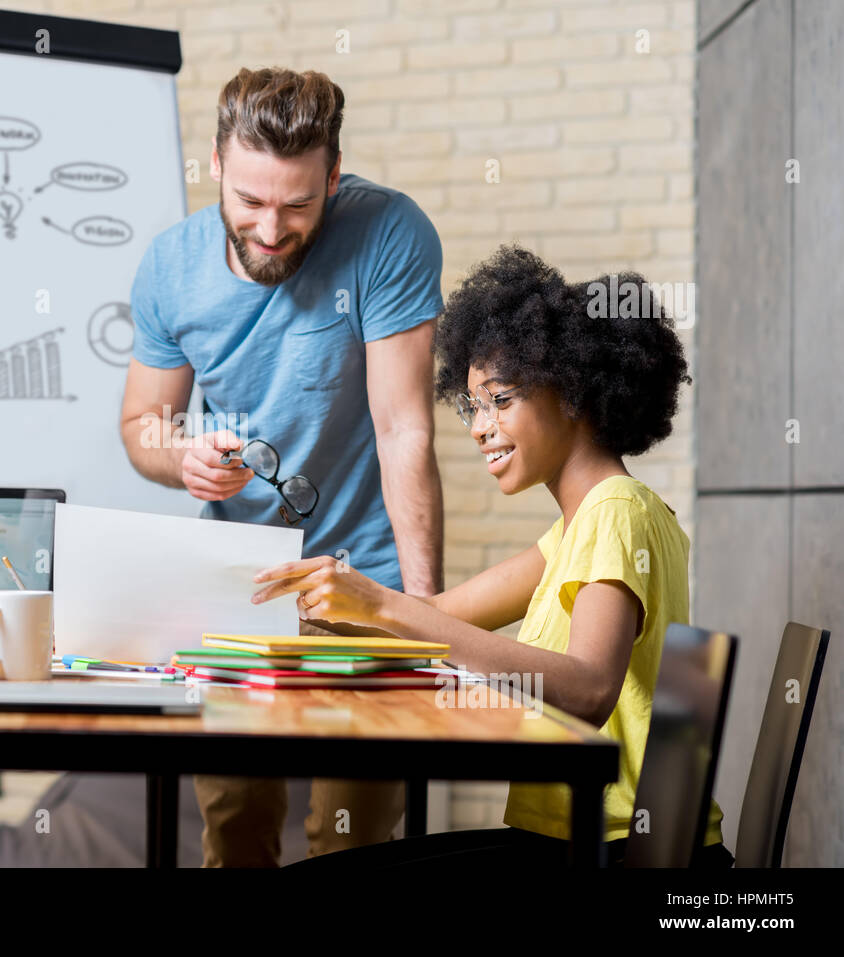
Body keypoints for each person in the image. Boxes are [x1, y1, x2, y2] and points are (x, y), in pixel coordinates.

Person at [252, 245, 735, 868]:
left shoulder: (618, 510)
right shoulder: (579, 527)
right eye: (473, 405)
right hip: (587, 837)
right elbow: (439, 616)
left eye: (501, 401)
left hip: (619, 848)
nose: (479, 427)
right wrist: (302, 609)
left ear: (575, 395)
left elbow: (589, 689)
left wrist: (381, 606)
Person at [120, 67, 445, 866]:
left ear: (332, 178)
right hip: (236, 583)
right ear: (215, 167)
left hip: (363, 572)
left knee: (357, 836)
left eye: (299, 205)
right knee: (234, 827)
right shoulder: (170, 268)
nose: (271, 228)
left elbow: (403, 427)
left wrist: (426, 611)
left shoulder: (387, 231)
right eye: (251, 202)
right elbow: (141, 426)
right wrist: (183, 458)